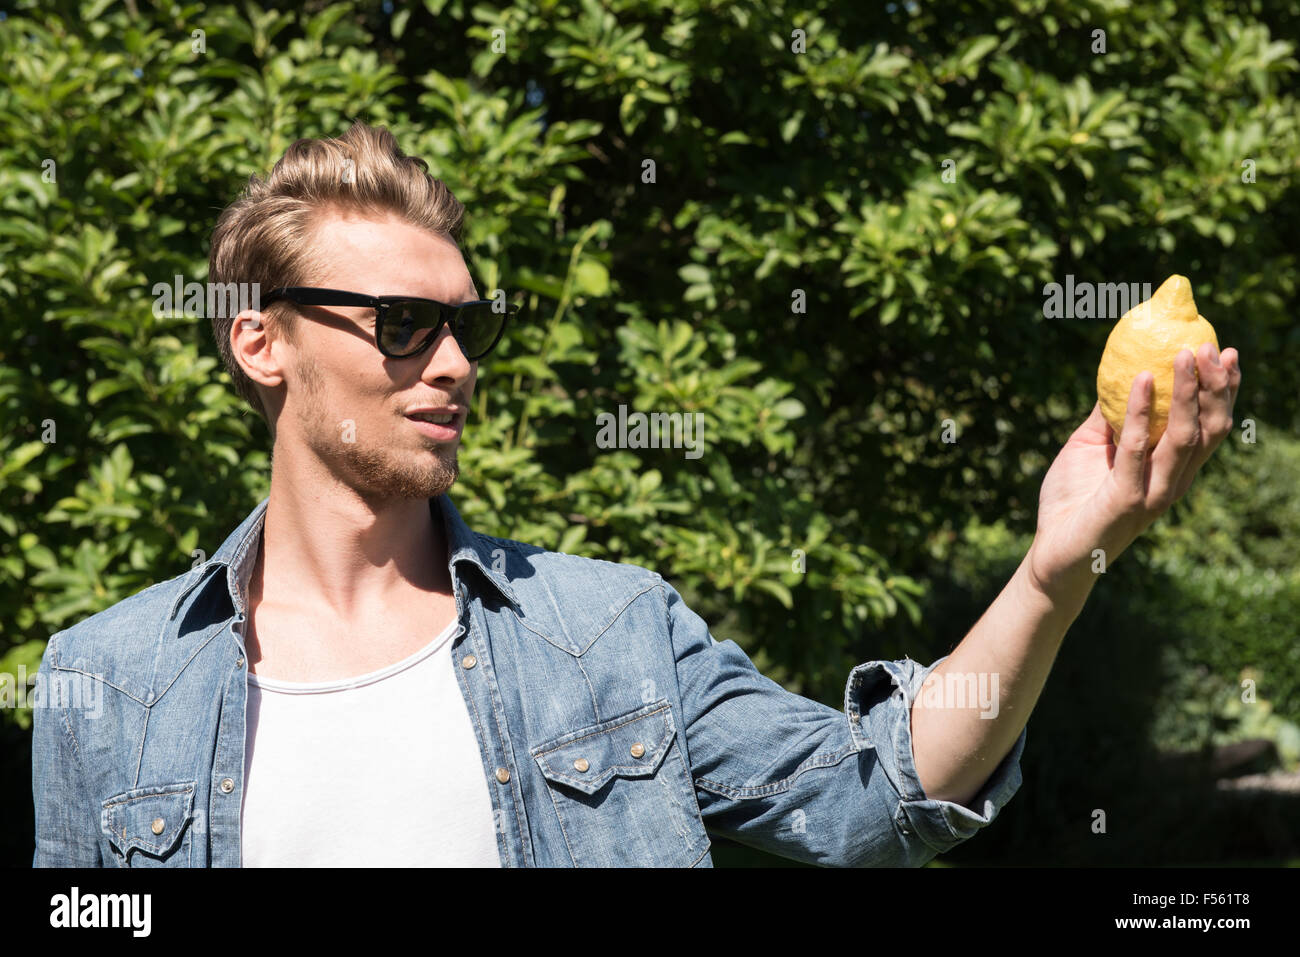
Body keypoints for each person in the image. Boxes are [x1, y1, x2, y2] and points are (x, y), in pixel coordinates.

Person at [31, 121, 1241, 867]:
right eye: (403, 326)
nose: (453, 363)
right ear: (260, 345)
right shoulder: (112, 683)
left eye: (468, 326)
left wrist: (1056, 565)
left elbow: (874, 799)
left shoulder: (608, 630)